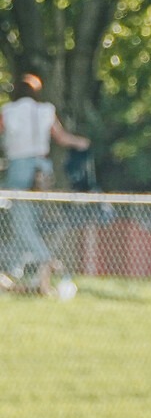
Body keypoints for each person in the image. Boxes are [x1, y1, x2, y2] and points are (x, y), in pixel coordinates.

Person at [0, 74, 90, 276]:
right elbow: (61, 137)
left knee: (21, 221)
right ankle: (13, 269)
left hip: (19, 165)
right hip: (42, 168)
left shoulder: (8, 111)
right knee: (27, 220)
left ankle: (46, 260)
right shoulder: (45, 111)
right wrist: (81, 142)